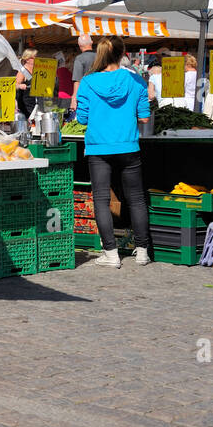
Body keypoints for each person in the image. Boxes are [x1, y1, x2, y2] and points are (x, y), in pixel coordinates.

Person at [76, 36, 151, 269]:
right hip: (128, 145)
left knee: (101, 199)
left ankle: (111, 253)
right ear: (122, 53)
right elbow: (145, 117)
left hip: (98, 146)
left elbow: (82, 117)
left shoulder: (88, 82)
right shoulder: (136, 80)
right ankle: (142, 252)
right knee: (136, 198)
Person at [69, 34, 96, 108]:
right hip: (101, 95)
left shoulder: (79, 59)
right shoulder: (100, 56)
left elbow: (77, 81)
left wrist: (74, 99)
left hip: (86, 96)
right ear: (91, 42)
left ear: (79, 45)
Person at [14, 48, 38, 119]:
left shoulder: (37, 70)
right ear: (27, 59)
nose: (37, 59)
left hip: (36, 102)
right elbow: (14, 85)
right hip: (26, 104)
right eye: (34, 57)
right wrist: (20, 86)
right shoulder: (23, 71)